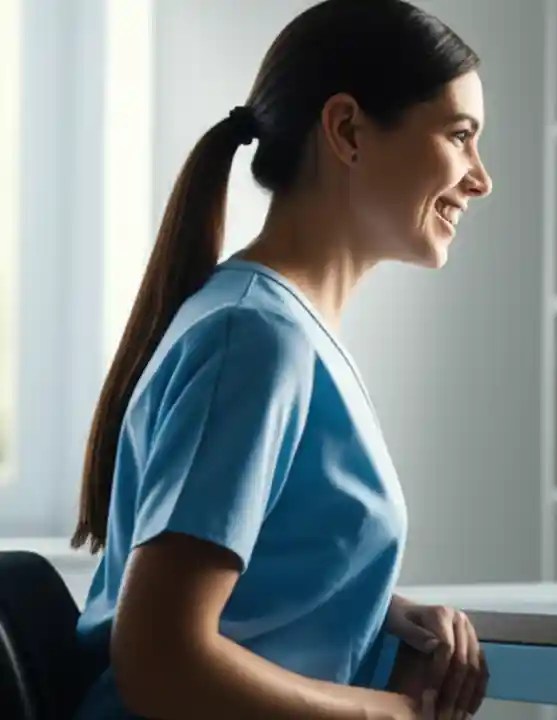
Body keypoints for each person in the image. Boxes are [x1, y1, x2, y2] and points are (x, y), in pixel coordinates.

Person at [70, 2, 493, 719]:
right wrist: (387, 713)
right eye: (460, 137)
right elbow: (158, 658)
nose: (480, 179)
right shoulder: (257, 341)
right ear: (348, 130)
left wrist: (380, 606)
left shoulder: (269, 327)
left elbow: (250, 572)